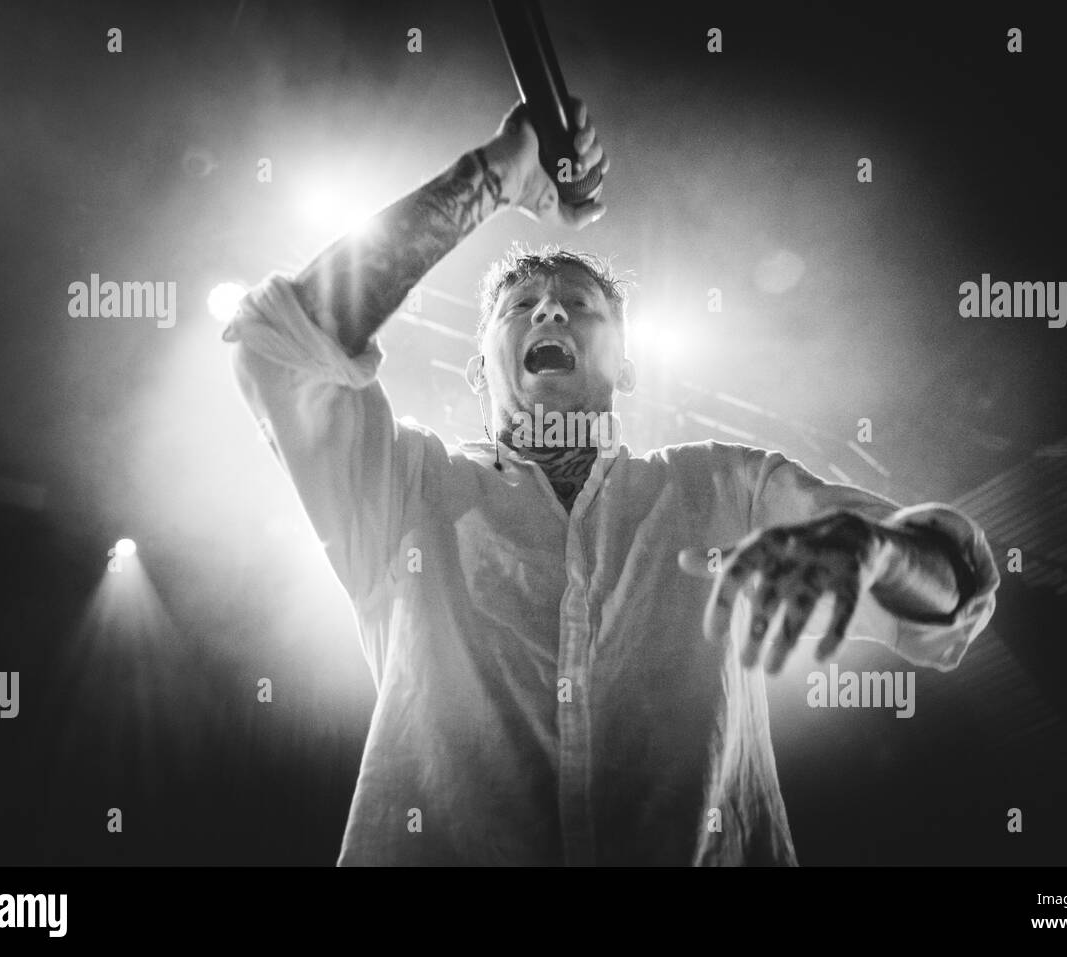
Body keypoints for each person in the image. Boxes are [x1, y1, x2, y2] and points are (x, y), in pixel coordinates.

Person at [223, 98, 1000, 865]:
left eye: (580, 305)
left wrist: (879, 552)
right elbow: (279, 346)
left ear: (626, 365)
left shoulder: (723, 488)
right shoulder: (403, 494)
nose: (551, 311)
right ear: (478, 368)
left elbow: (950, 601)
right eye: (520, 305)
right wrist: (495, 176)